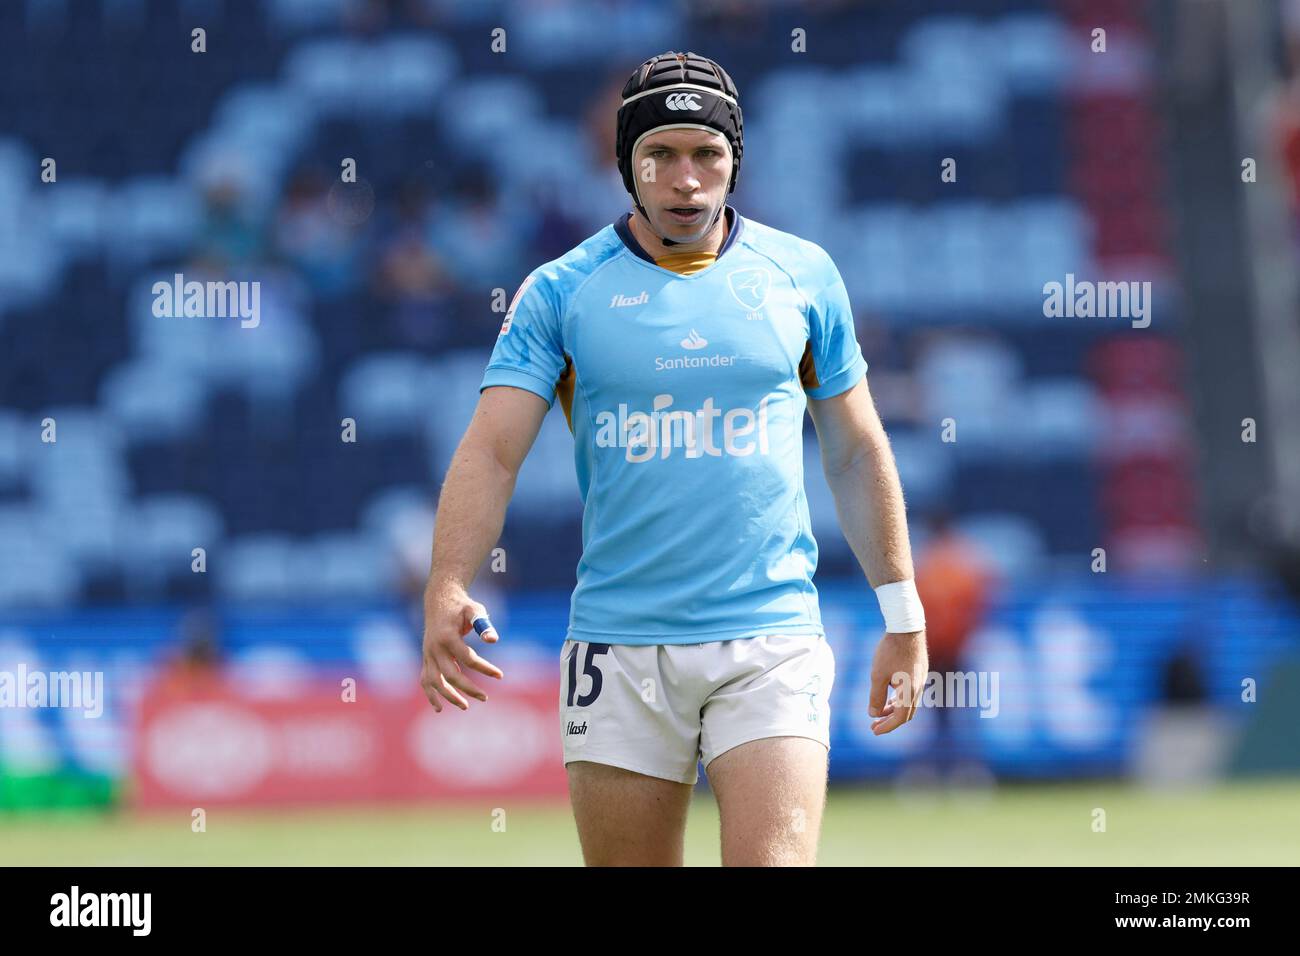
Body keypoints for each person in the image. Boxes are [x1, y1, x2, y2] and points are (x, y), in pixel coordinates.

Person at [420, 51, 928, 866]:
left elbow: (857, 448)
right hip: (620, 646)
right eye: (660, 154)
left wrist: (902, 614)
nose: (685, 179)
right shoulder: (561, 290)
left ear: (735, 162)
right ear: (627, 165)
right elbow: (491, 451)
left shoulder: (802, 277)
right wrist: (447, 580)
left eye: (706, 154)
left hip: (771, 637)